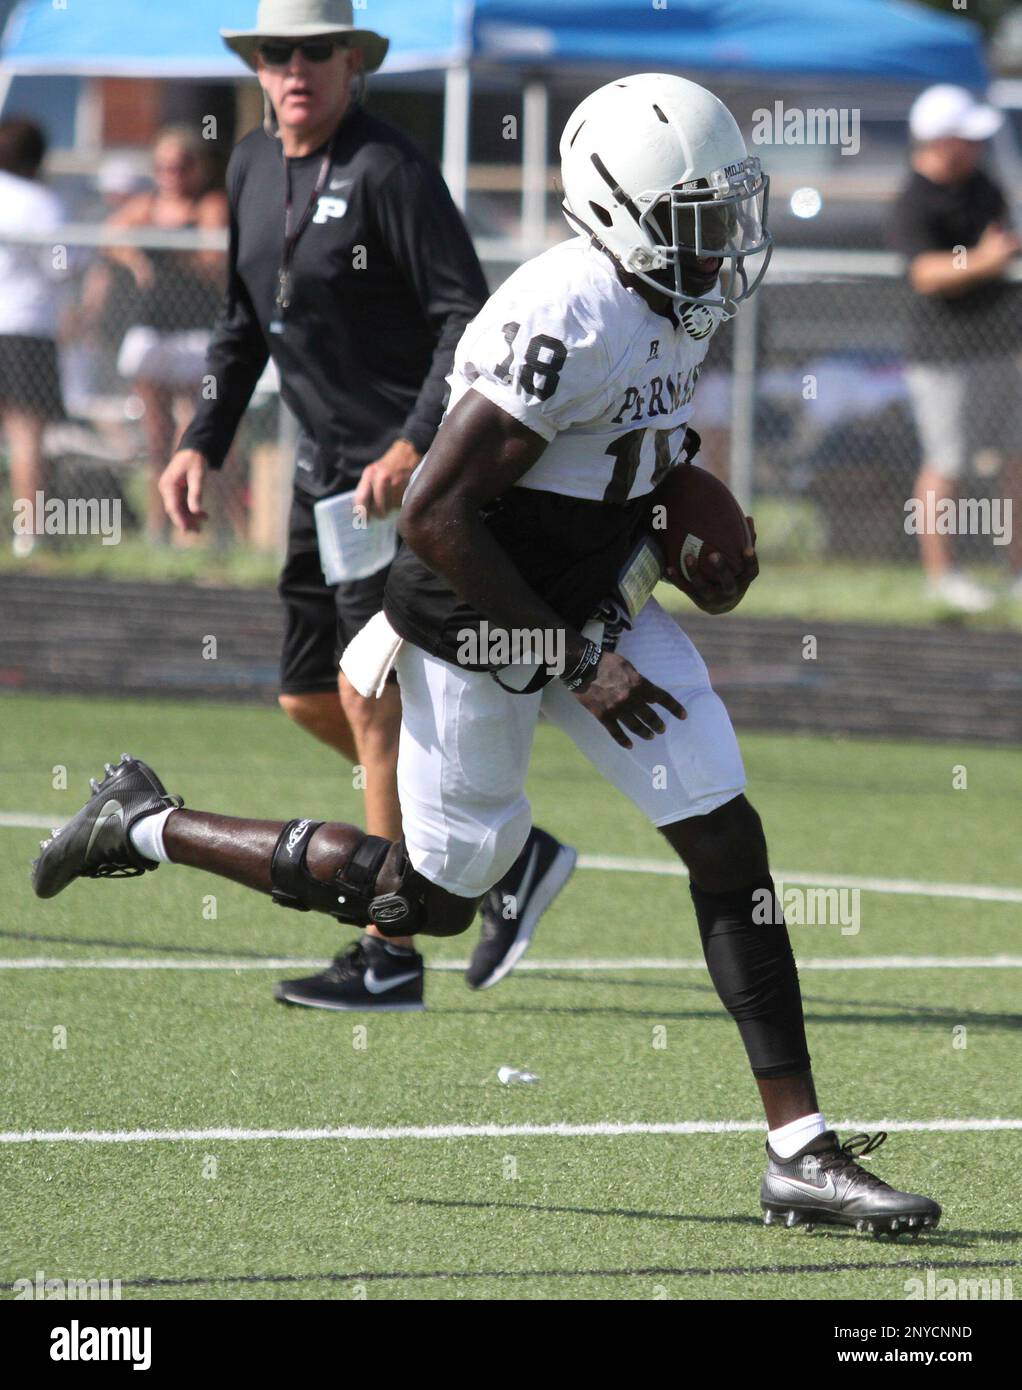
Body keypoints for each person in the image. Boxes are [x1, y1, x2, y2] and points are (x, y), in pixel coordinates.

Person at [33, 73, 941, 1236]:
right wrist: (573, 656)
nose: (721, 242)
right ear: (618, 211)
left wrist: (685, 524)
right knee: (432, 899)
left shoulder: (673, 291)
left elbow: (636, 451)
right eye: (696, 217)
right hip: (475, 621)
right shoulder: (563, 311)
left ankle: (797, 1152)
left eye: (727, 212)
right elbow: (434, 515)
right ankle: (144, 820)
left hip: (587, 599)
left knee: (723, 832)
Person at [156, 0, 575, 1007]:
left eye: (315, 50)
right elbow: (240, 326)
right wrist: (198, 440)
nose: (294, 67)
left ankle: (391, 948)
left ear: (352, 61)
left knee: (366, 697)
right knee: (305, 695)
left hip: (405, 487)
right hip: (318, 481)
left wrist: (412, 443)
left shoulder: (389, 168)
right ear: (255, 66)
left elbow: (463, 319)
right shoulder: (253, 167)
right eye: (275, 52)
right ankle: (504, 857)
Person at [891, 84, 1022, 612]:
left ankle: (1017, 572)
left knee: (1015, 461)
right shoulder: (912, 201)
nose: (974, 148)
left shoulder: (984, 186)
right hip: (945, 357)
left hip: (1002, 348)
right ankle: (942, 577)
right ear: (938, 141)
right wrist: (986, 260)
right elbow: (925, 273)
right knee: (947, 463)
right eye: (963, 139)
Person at [104, 125, 230, 540]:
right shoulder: (148, 205)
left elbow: (213, 260)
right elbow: (109, 236)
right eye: (163, 167)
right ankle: (157, 526)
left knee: (193, 433)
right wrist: (138, 259)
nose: (172, 175)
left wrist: (168, 246)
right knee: (154, 436)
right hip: (155, 328)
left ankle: (196, 525)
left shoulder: (209, 206)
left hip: (196, 333)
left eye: (181, 166)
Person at [0, 118, 66, 558]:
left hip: (19, 323)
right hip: (25, 326)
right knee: (26, 434)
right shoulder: (41, 202)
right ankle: (29, 533)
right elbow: (60, 263)